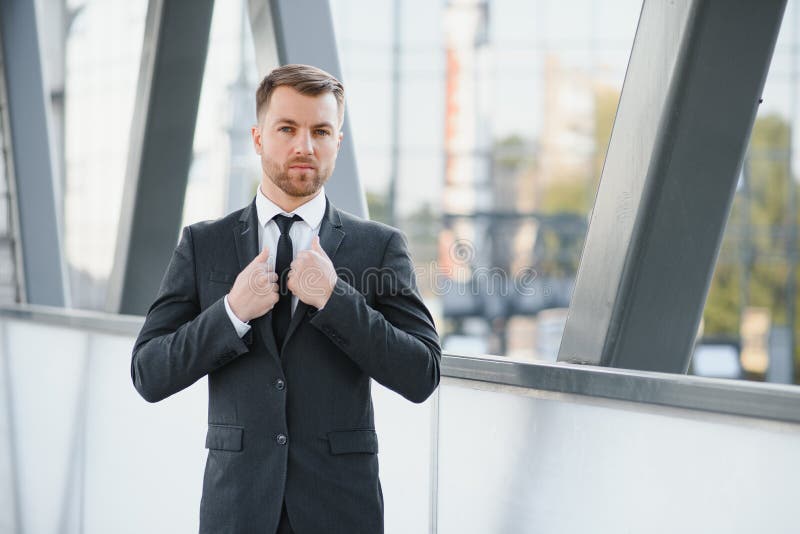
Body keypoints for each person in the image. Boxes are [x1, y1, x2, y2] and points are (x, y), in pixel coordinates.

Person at [131, 64, 441, 533]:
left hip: (341, 511)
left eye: (321, 130)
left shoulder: (378, 246)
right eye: (287, 129)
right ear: (258, 137)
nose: (305, 146)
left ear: (338, 140)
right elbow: (149, 372)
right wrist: (232, 312)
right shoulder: (203, 244)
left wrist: (335, 299)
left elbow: (423, 373)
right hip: (237, 509)